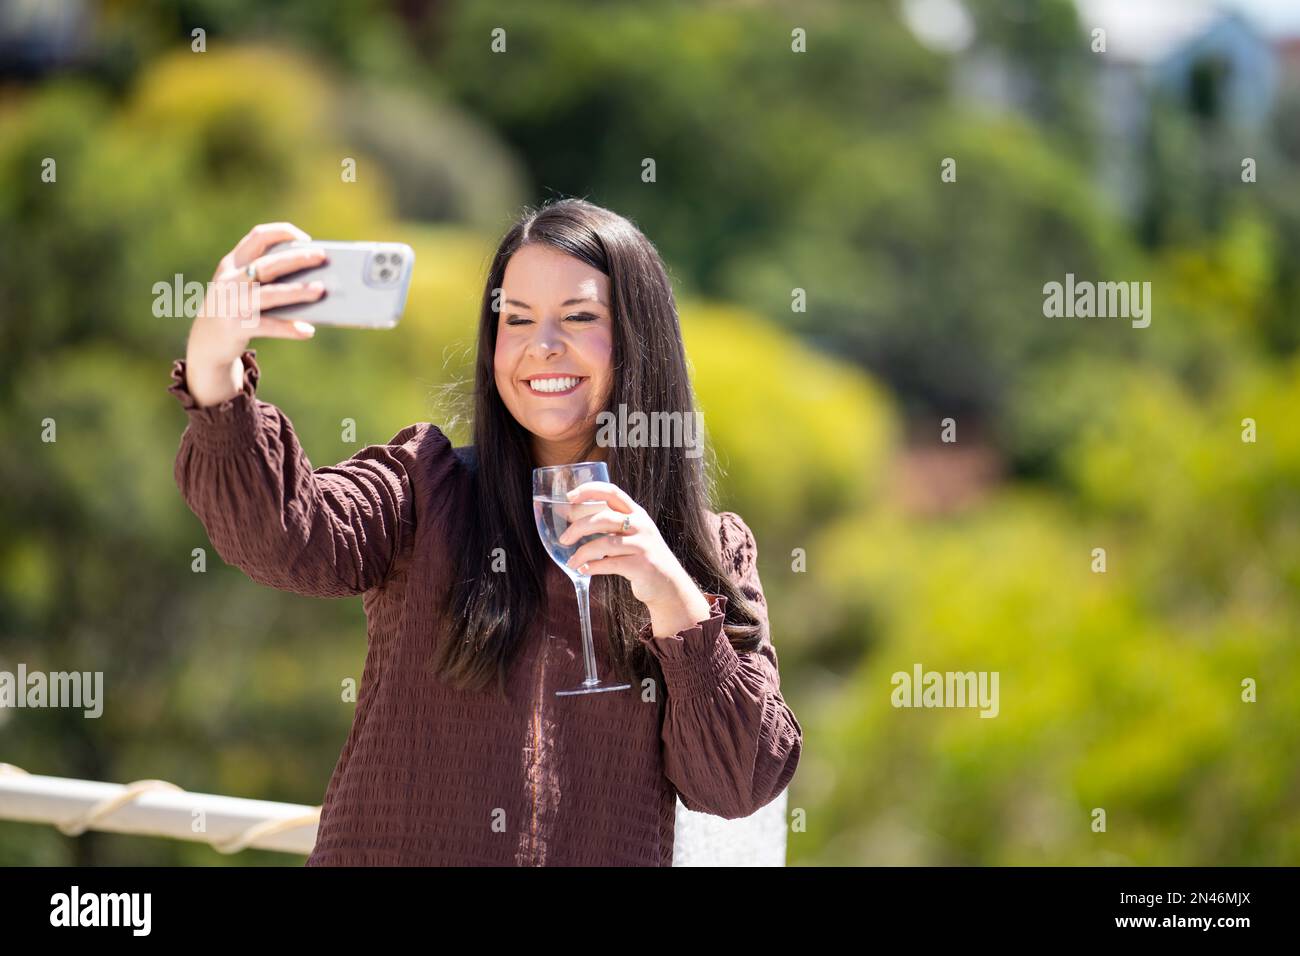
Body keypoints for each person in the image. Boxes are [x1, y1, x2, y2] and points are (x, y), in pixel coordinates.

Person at [168, 198, 802, 866]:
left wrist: (674, 601)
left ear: (640, 338)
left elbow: (736, 785)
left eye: (579, 317)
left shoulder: (705, 550)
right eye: (516, 318)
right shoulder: (426, 485)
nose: (541, 345)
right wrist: (215, 369)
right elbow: (282, 539)